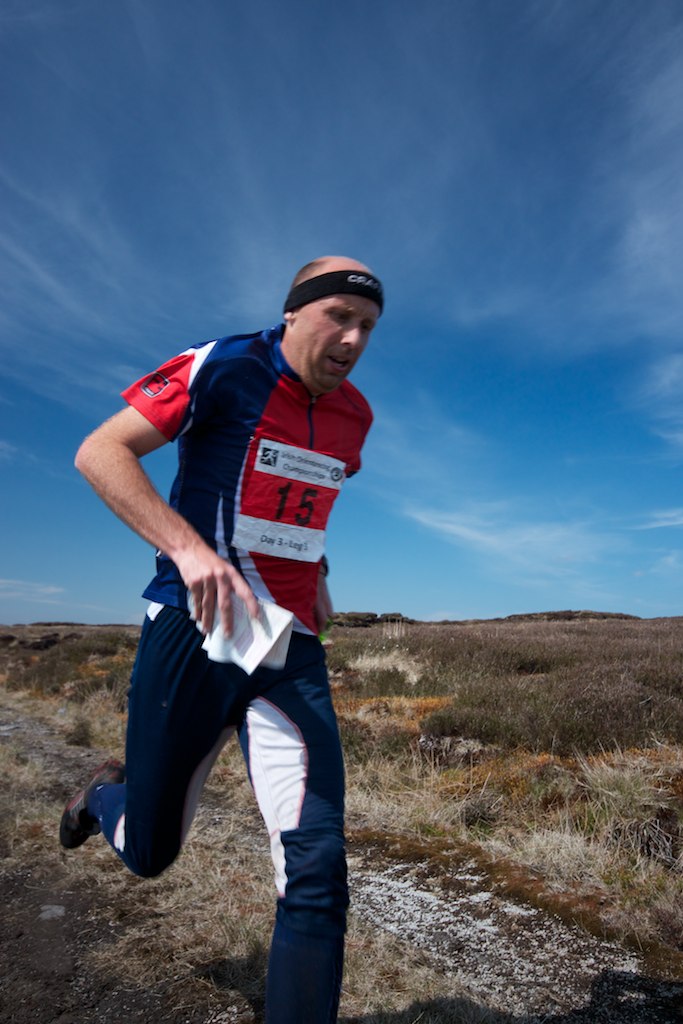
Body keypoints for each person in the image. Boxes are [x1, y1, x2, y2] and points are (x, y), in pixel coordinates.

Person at [59, 256, 383, 1024]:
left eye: (367, 326)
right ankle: (100, 798)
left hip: (288, 647)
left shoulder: (355, 416)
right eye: (338, 315)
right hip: (194, 632)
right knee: (150, 853)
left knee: (316, 864)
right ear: (294, 312)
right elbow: (100, 452)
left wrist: (320, 569)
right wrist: (188, 550)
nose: (352, 338)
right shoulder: (225, 365)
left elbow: (297, 502)